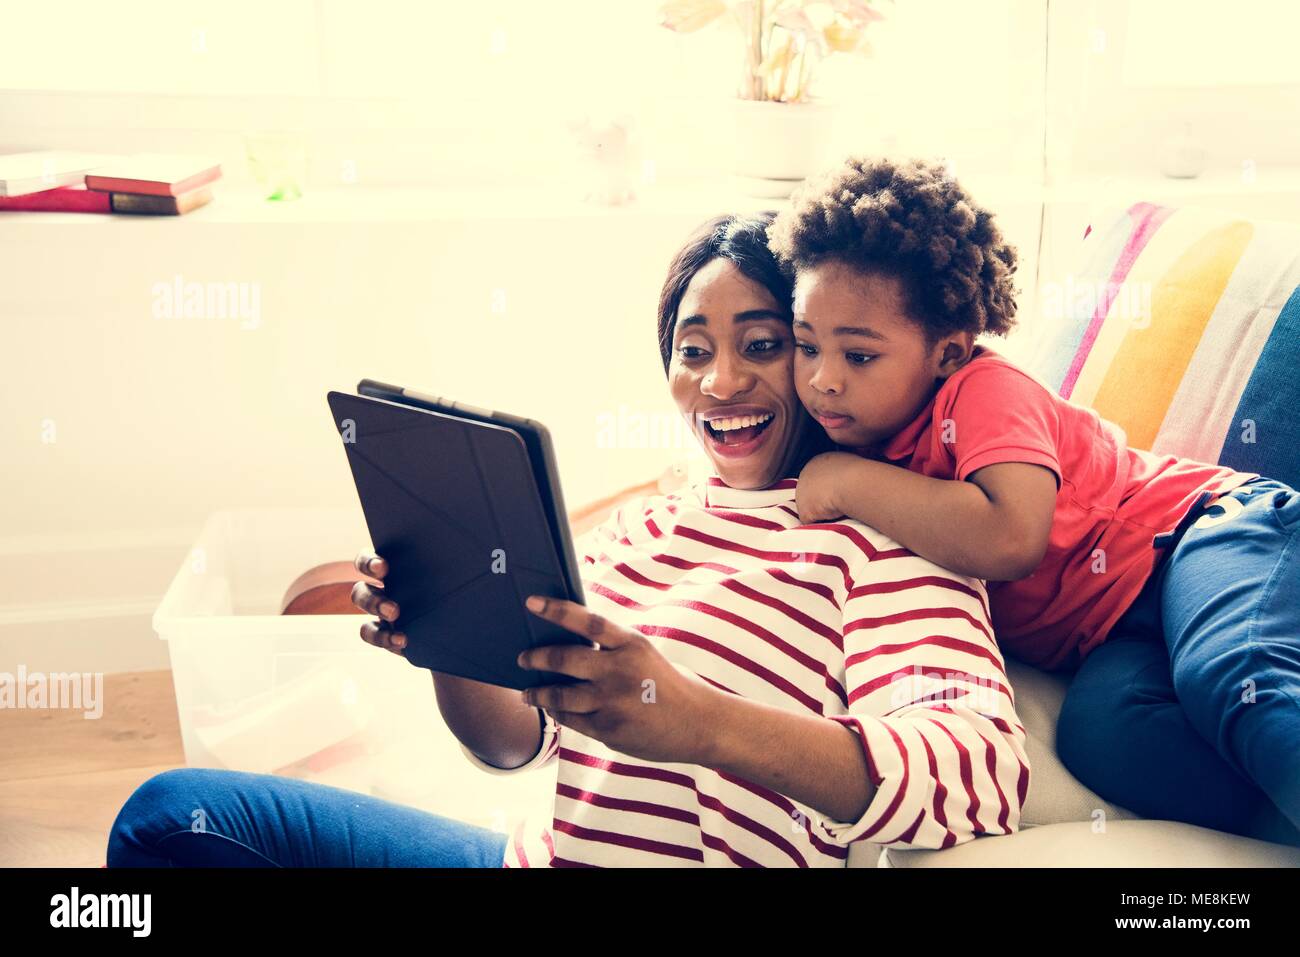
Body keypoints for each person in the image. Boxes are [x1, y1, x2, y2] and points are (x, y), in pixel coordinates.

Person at [107, 212, 1028, 868]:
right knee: (172, 817)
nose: (719, 381)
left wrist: (701, 722)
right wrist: (450, 636)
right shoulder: (645, 526)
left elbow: (983, 770)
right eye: (693, 348)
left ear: (822, 354)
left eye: (761, 344)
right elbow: (519, 745)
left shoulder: (883, 539)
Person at [775, 155, 1300, 845]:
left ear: (948, 351)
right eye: (806, 345)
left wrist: (846, 480)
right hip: (1115, 632)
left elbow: (1012, 535)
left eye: (859, 355)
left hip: (1205, 533)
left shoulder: (983, 393)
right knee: (1105, 735)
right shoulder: (859, 437)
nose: (823, 381)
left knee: (1231, 675)